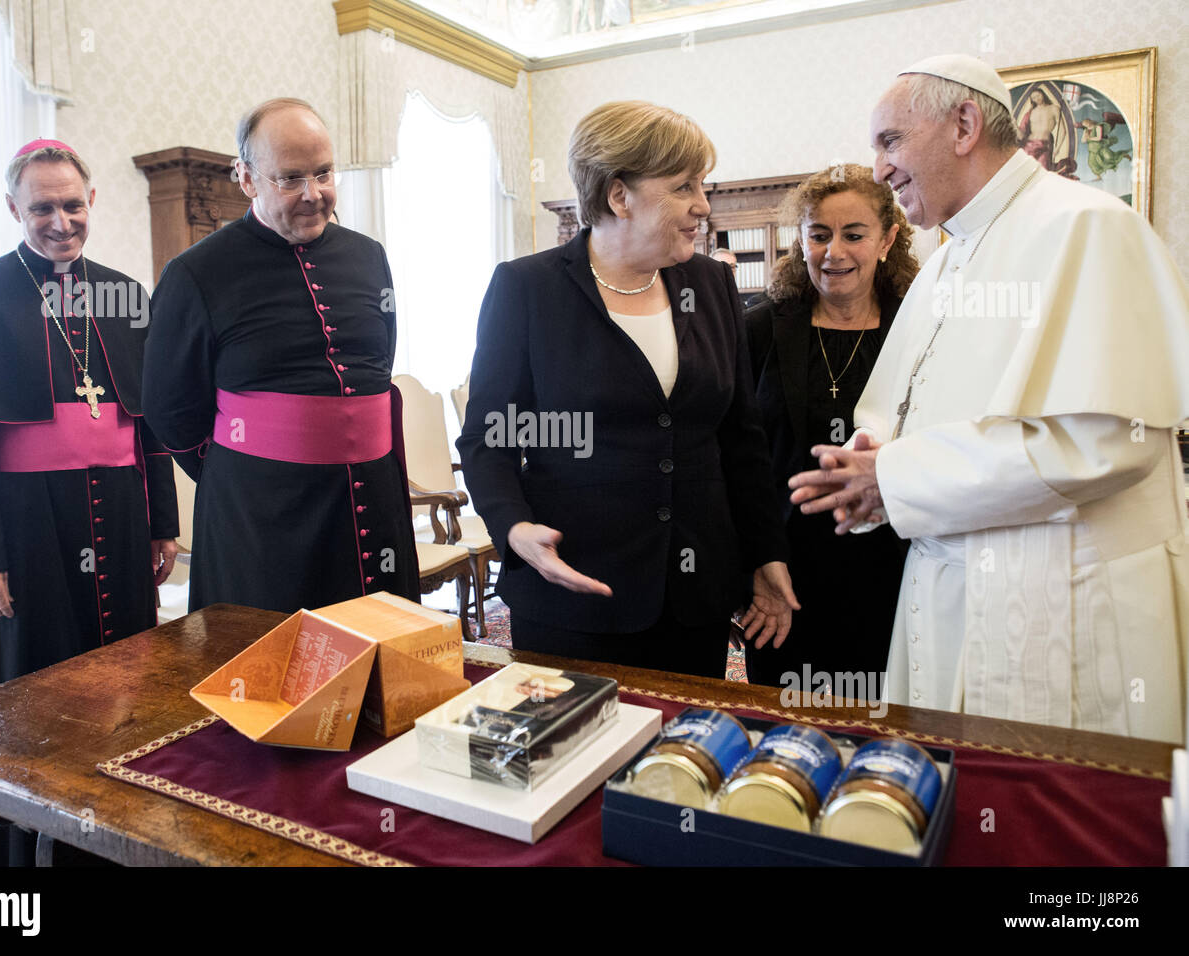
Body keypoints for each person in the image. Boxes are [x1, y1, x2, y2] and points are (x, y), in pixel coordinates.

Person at [789, 54, 1189, 743]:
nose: (879, 167)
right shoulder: (947, 258)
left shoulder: (1085, 227)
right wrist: (874, 467)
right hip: (953, 594)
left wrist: (895, 477)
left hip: (1058, 607)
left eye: (890, 140)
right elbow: (915, 418)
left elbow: (1106, 443)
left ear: (965, 124)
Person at [0, 139, 180, 865]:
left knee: (123, 686)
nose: (59, 220)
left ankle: (111, 838)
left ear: (92, 203)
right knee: (26, 701)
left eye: (71, 204)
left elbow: (143, 423)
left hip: (117, 518)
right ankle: (13, 862)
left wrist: (162, 525)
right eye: (41, 208)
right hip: (23, 530)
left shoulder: (125, 296)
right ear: (13, 210)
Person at [458, 101, 797, 679]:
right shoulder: (528, 289)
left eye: (703, 185)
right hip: (574, 592)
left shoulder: (711, 283)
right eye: (683, 187)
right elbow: (488, 441)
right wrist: (513, 528)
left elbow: (741, 437)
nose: (702, 206)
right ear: (619, 196)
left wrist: (766, 554)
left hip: (695, 597)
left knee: (679, 760)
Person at [143, 98, 418, 613]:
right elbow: (168, 407)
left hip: (373, 494)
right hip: (261, 512)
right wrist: (243, 469)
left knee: (384, 658)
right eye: (290, 179)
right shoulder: (195, 273)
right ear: (246, 178)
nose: (314, 195)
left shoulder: (368, 256)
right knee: (275, 670)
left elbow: (377, 365)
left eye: (323, 173)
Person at [744, 164, 916, 689]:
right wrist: (750, 567)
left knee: (885, 729)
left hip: (893, 572)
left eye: (853, 235)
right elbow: (732, 457)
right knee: (784, 733)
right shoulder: (758, 328)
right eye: (818, 234)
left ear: (886, 239)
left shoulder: (918, 329)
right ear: (801, 241)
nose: (833, 251)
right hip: (784, 579)